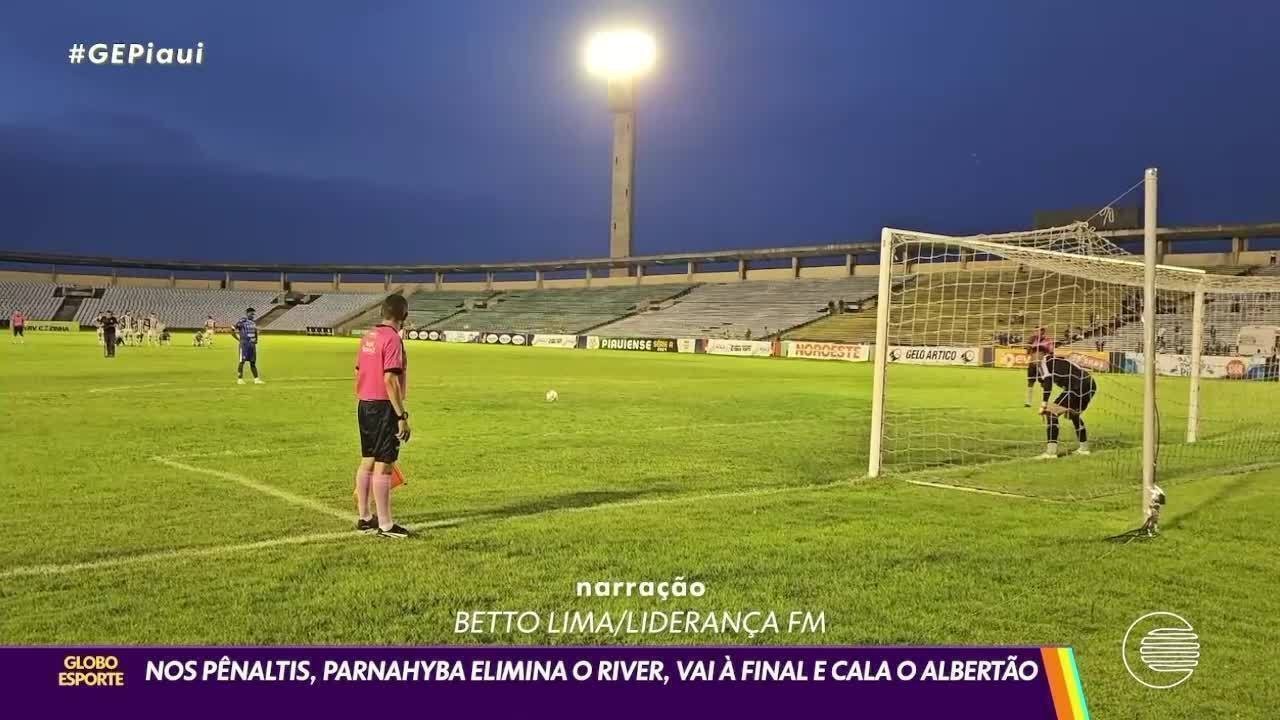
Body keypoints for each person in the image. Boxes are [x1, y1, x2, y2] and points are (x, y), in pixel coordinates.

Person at [354, 294, 412, 539]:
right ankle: (386, 525)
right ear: (404, 316)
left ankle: (365, 517)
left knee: (368, 459)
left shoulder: (368, 337)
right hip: (383, 407)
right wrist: (401, 415)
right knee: (384, 464)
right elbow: (390, 378)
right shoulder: (392, 339)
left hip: (365, 404)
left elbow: (358, 369)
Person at [1029, 341, 1096, 459]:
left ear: (1041, 353)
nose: (1032, 357)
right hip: (1090, 384)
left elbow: (1048, 382)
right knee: (1073, 414)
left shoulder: (1045, 361)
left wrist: (1044, 404)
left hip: (1077, 385)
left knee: (1051, 412)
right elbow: (1046, 382)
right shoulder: (1056, 361)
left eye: (1034, 354)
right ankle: (1084, 449)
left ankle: (1051, 453)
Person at [232, 308, 263, 384]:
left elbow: (255, 332)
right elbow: (233, 330)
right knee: (242, 361)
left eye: (253, 314)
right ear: (247, 313)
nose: (252, 315)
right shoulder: (242, 321)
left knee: (253, 362)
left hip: (252, 345)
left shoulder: (253, 323)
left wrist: (256, 339)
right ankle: (240, 379)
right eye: (251, 313)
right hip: (244, 345)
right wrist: (239, 339)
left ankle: (256, 379)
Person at [1024, 326, 1052, 407]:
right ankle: (1028, 401)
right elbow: (1028, 351)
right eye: (1035, 331)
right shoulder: (1032, 339)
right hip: (1032, 364)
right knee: (1030, 382)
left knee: (1044, 383)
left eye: (1037, 331)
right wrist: (1029, 347)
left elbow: (1050, 351)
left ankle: (1044, 401)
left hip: (1042, 365)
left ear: (1042, 332)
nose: (1035, 332)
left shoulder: (1047, 340)